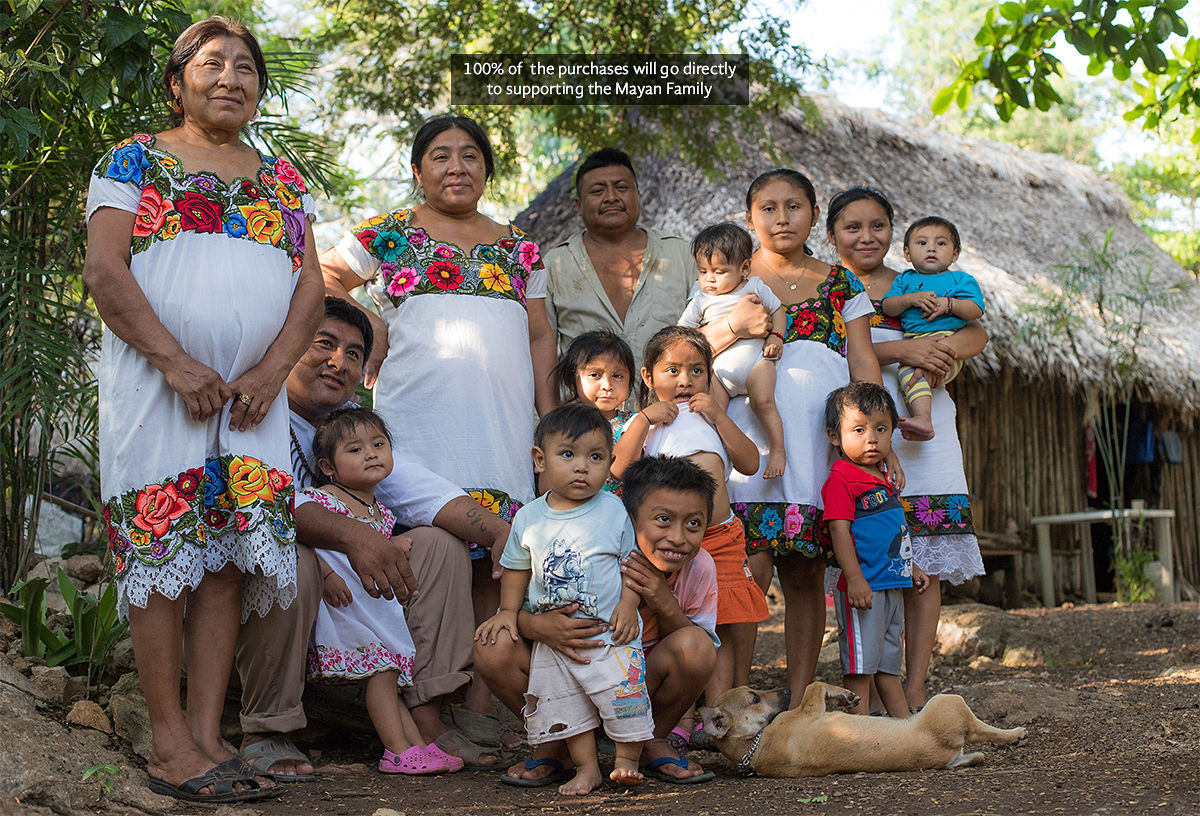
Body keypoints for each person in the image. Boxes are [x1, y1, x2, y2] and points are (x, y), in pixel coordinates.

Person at [82, 16, 323, 803]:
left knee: (223, 562)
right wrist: (178, 364)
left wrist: (269, 371)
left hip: (253, 404)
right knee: (162, 559)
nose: (231, 78)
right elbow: (106, 270)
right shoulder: (134, 160)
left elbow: (311, 289)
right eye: (212, 63)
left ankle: (210, 737)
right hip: (158, 391)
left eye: (246, 67)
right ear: (178, 79)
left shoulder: (282, 177)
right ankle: (168, 746)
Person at [321, 114, 557, 715]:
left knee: (494, 568)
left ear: (487, 168)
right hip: (418, 429)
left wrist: (546, 422)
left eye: (471, 156)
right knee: (428, 557)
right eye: (442, 156)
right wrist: (368, 318)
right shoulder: (390, 231)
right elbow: (323, 275)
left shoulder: (519, 243)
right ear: (418, 170)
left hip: (501, 428)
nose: (457, 167)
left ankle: (481, 708)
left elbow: (537, 336)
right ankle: (423, 705)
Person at [235, 297, 512, 779]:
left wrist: (503, 534)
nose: (338, 361)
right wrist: (356, 538)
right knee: (289, 551)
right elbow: (264, 507)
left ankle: (426, 711)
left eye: (354, 353)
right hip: (269, 589)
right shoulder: (256, 407)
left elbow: (426, 494)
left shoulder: (349, 427)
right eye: (323, 343)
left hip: (347, 603)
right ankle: (267, 727)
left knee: (439, 544)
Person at [703, 169, 895, 705]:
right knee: (747, 566)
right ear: (749, 219)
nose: (781, 217)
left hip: (816, 447)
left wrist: (883, 436)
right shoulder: (727, 280)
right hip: (748, 450)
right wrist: (736, 326)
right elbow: (691, 351)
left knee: (806, 570)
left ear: (815, 215)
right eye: (768, 208)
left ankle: (799, 698)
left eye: (794, 206)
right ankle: (733, 697)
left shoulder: (840, 283)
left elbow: (862, 360)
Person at [825, 186, 986, 711]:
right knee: (870, 555)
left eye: (878, 226)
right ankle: (866, 686)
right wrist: (903, 348)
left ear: (894, 232)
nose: (867, 236)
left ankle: (914, 686)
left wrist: (943, 347)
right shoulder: (828, 287)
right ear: (832, 235)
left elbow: (976, 333)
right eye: (853, 227)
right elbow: (842, 349)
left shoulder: (918, 281)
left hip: (927, 428)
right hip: (862, 438)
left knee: (927, 563)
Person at [474, 454, 720, 786]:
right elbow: (524, 604)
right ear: (628, 520)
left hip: (637, 682)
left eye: (694, 523)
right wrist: (537, 625)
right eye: (663, 519)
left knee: (698, 648)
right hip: (566, 671)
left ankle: (651, 739)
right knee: (494, 646)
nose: (678, 537)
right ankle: (554, 742)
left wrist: (665, 603)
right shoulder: (584, 551)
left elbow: (697, 651)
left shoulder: (700, 566)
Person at [476, 404, 653, 795]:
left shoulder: (613, 510)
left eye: (595, 457)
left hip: (610, 635)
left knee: (626, 694)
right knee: (564, 703)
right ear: (540, 459)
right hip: (552, 643)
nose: (581, 467)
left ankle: (627, 762)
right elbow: (517, 567)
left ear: (610, 462)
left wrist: (627, 605)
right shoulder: (529, 518)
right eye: (568, 454)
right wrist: (508, 611)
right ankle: (585, 768)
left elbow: (631, 565)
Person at [303, 407, 464, 774]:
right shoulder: (324, 498)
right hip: (346, 609)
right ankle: (395, 750)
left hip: (374, 609)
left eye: (378, 444)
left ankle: (417, 747)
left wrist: (397, 544)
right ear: (328, 467)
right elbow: (303, 538)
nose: (372, 453)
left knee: (389, 678)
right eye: (355, 450)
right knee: (382, 675)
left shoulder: (381, 511)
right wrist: (326, 575)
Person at [612, 326, 765, 706]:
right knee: (672, 618)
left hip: (719, 537)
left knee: (725, 623)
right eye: (672, 371)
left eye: (697, 371)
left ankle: (716, 714)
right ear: (648, 376)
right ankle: (679, 712)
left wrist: (720, 416)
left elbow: (749, 462)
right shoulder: (645, 422)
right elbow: (618, 469)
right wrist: (644, 419)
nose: (685, 380)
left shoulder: (713, 415)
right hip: (665, 543)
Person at [539, 147, 697, 379]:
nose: (611, 197)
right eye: (597, 190)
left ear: (638, 196)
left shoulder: (680, 254)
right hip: (586, 415)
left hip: (674, 412)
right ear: (578, 205)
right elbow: (542, 349)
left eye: (621, 188)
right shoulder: (555, 265)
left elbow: (706, 331)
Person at [822, 383, 929, 718]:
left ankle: (906, 729)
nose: (872, 439)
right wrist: (854, 578)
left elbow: (892, 533)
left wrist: (910, 566)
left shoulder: (884, 478)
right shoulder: (842, 479)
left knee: (887, 663)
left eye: (881, 429)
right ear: (834, 436)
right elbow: (838, 530)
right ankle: (860, 733)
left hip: (892, 584)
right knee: (860, 665)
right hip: (863, 588)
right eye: (859, 430)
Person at [678, 222, 788, 478]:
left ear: (744, 268)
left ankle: (778, 449)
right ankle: (715, 458)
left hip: (757, 364)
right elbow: (681, 333)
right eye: (703, 271)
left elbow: (778, 310)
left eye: (719, 271)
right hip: (719, 372)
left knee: (764, 402)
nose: (710, 279)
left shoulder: (756, 287)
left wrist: (777, 337)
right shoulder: (701, 299)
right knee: (710, 415)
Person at [880, 216, 985, 441]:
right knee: (911, 372)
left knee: (913, 373)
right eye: (922, 243)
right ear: (907, 253)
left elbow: (976, 309)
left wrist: (950, 304)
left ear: (955, 254)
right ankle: (923, 419)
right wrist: (909, 299)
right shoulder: (904, 281)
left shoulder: (960, 279)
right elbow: (888, 307)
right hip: (915, 342)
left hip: (948, 340)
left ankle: (923, 418)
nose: (931, 249)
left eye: (941, 243)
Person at [551, 329, 637, 493]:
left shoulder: (635, 422)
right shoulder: (561, 425)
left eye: (618, 376)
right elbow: (546, 485)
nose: (607, 385)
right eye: (595, 374)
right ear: (572, 381)